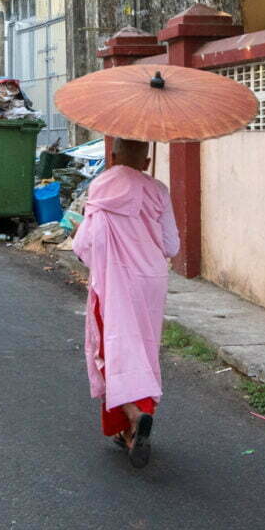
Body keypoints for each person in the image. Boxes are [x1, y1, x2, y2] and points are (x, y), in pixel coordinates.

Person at [72, 137, 180, 467]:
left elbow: (85, 244)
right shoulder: (159, 189)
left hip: (115, 281)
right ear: (146, 161)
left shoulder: (102, 185)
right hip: (151, 281)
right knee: (145, 350)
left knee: (114, 349)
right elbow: (171, 245)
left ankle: (134, 414)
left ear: (114, 156)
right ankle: (134, 426)